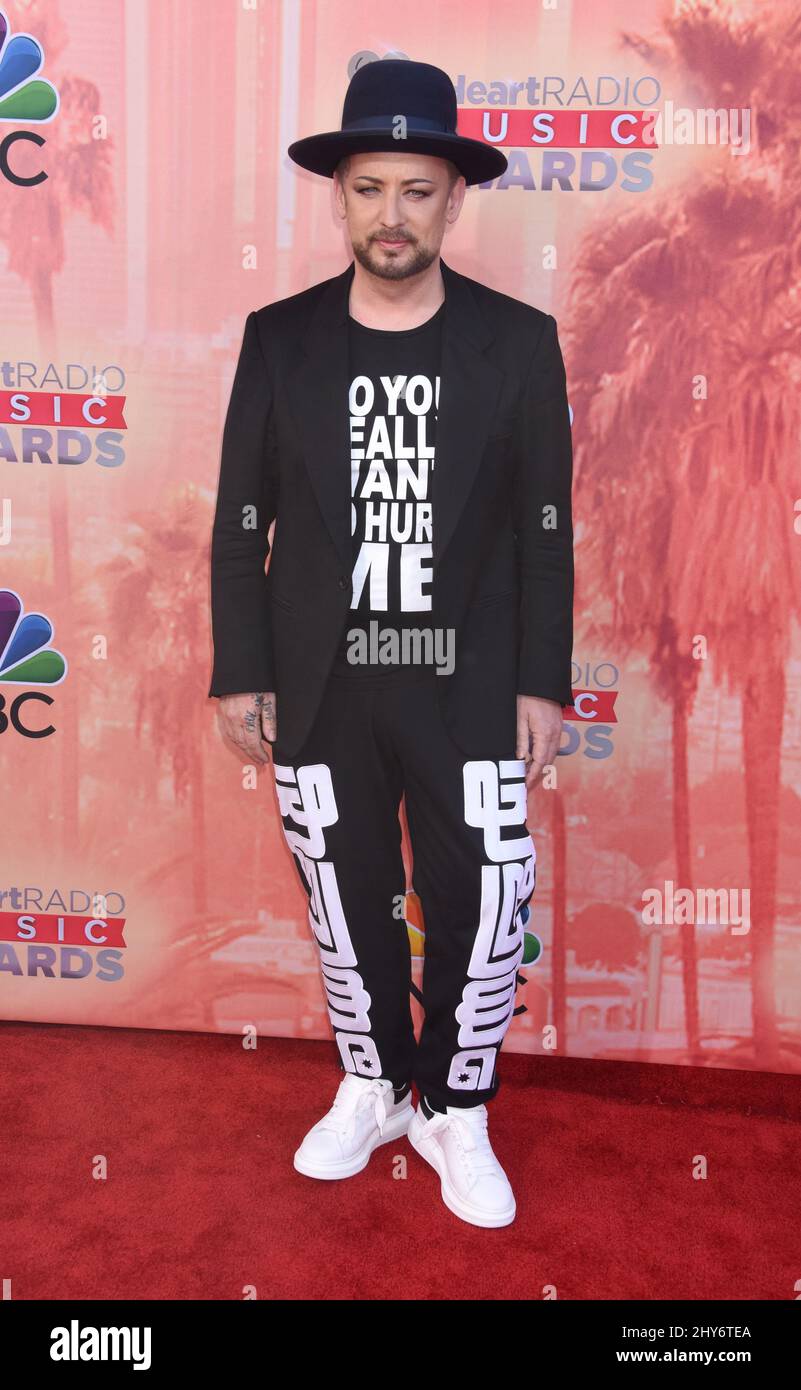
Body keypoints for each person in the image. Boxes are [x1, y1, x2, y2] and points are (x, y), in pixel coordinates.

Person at [208, 59, 574, 1228]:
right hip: (320, 682)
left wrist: (540, 681)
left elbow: (544, 527)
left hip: (466, 683)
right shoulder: (281, 339)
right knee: (347, 897)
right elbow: (240, 522)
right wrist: (241, 669)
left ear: (454, 200)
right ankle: (372, 1086)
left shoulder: (518, 344)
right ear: (339, 197)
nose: (393, 215)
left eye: (418, 191)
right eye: (371, 188)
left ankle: (456, 1103)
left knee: (475, 899)